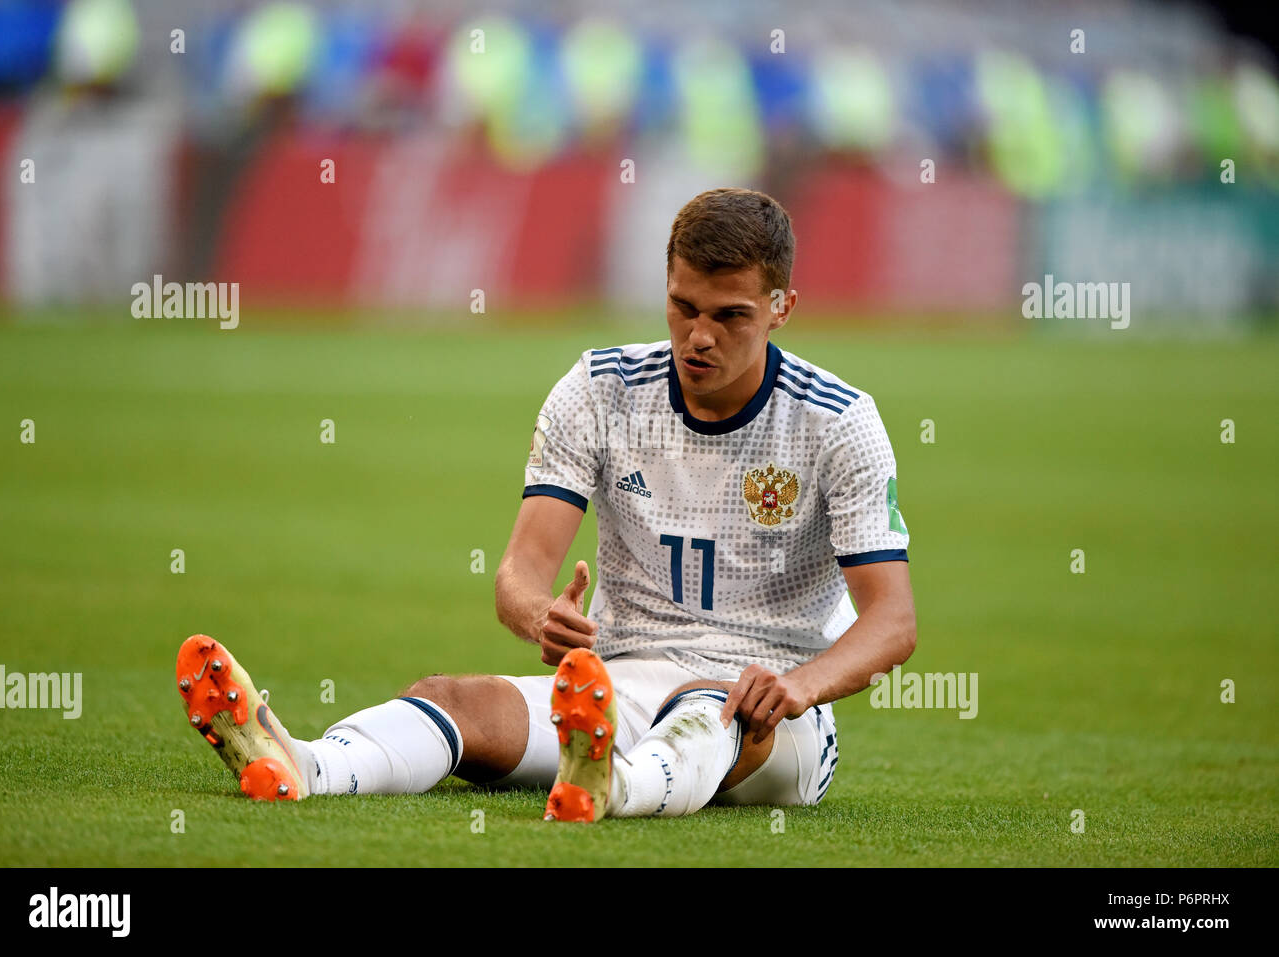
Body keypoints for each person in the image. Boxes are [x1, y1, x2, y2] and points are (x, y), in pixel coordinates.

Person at [175, 187, 916, 821]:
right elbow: (520, 571)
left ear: (782, 307)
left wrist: (798, 684)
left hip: (772, 717)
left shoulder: (836, 422)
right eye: (682, 305)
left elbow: (893, 619)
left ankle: (611, 785)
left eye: (730, 316)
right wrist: (540, 615)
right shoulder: (600, 389)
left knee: (705, 712)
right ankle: (305, 763)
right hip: (617, 683)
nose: (698, 337)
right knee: (451, 698)